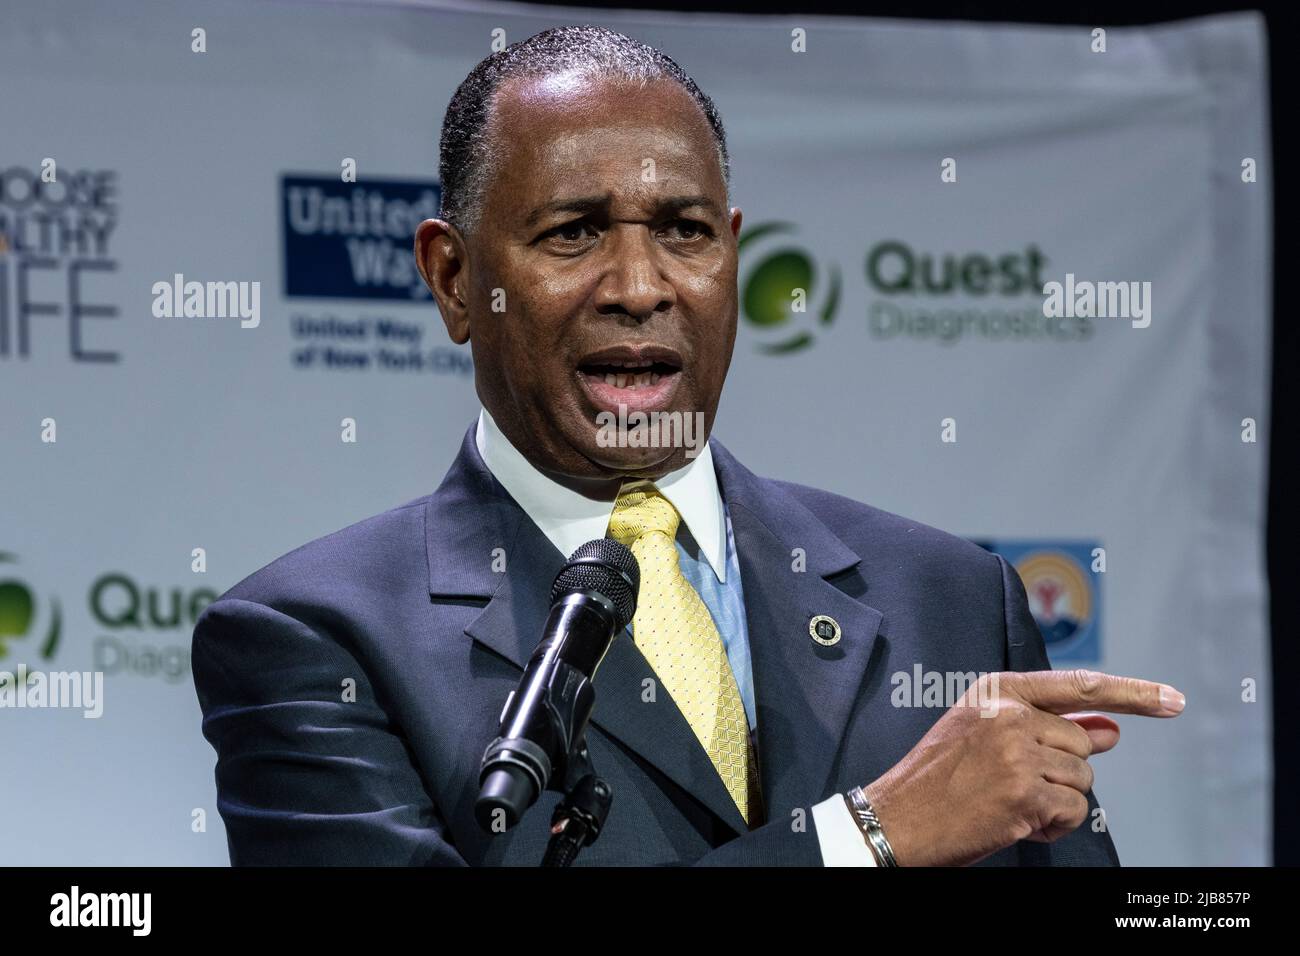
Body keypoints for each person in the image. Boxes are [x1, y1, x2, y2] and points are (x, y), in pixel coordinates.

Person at [192, 25, 1183, 866]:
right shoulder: (313, 638)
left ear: (732, 253)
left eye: (683, 231)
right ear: (454, 278)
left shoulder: (952, 601)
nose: (638, 283)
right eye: (573, 233)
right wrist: (866, 837)